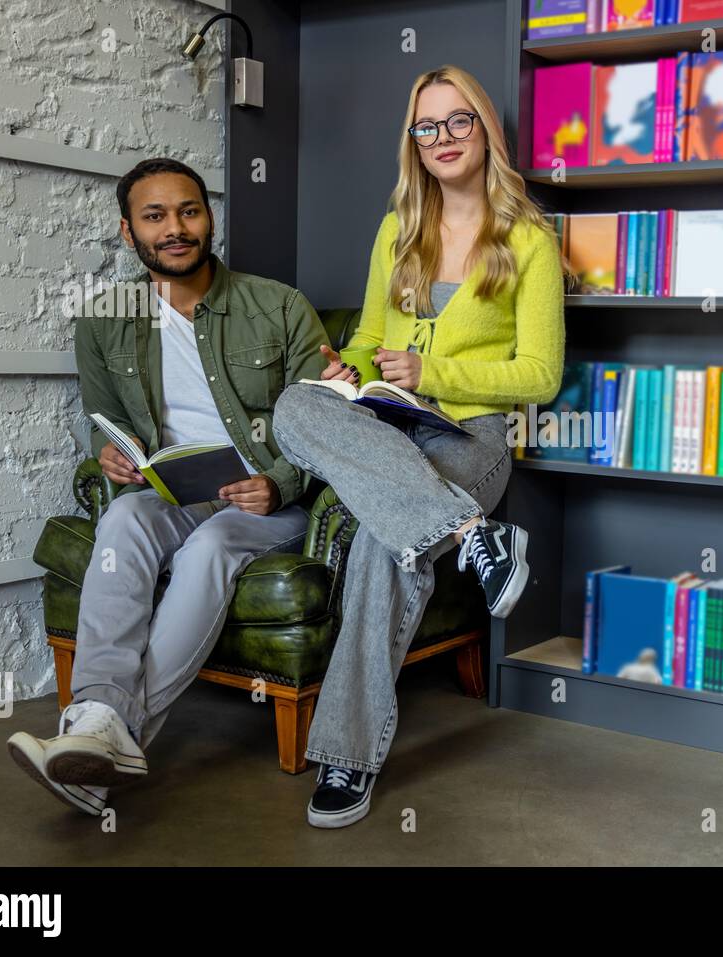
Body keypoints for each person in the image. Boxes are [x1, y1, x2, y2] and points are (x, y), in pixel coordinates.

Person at [271, 65, 565, 828]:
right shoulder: (397, 228)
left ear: (485, 130)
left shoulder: (528, 238)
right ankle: (473, 535)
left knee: (381, 541)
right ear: (414, 140)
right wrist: (351, 368)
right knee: (296, 405)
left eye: (458, 121)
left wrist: (436, 370)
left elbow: (542, 373)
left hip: (474, 437)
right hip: (390, 426)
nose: (442, 139)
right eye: (426, 126)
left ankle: (347, 754)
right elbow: (370, 338)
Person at [7, 158, 331, 817]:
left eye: (189, 211)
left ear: (209, 219)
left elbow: (324, 423)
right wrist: (111, 458)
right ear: (129, 233)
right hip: (174, 490)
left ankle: (99, 739)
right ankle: (101, 729)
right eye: (155, 216)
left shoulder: (279, 306)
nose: (175, 228)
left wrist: (278, 481)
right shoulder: (104, 320)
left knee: (211, 547)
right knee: (122, 520)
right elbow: (107, 425)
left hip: (266, 503)